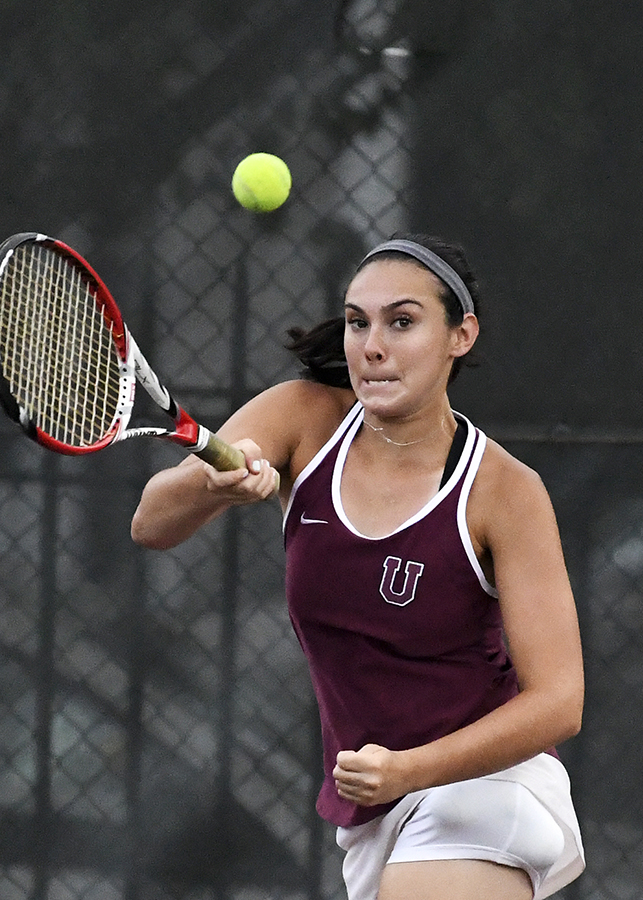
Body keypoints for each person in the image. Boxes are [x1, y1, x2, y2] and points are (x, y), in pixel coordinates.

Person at [130, 233, 586, 900]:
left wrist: (412, 769)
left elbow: (559, 701)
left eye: (402, 322)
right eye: (357, 322)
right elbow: (152, 523)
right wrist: (212, 485)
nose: (372, 345)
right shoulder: (303, 419)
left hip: (485, 790)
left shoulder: (505, 491)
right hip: (377, 811)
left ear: (461, 336)